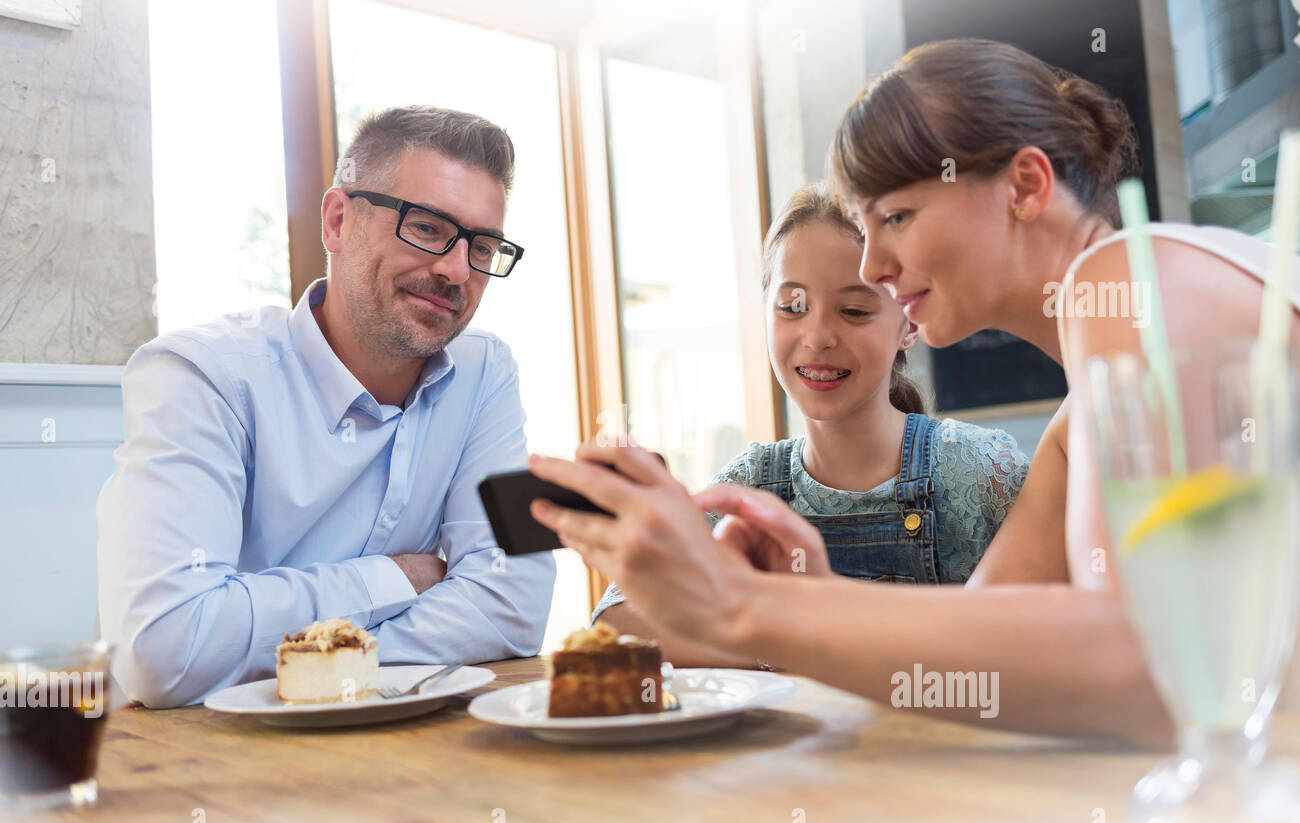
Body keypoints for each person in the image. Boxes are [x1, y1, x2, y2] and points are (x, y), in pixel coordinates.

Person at [527, 38, 1300, 747]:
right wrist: (818, 597)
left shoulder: (1132, 276)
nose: (871, 268)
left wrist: (748, 605)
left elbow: (1162, 670)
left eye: (895, 215)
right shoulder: (1082, 415)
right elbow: (975, 655)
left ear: (1026, 185)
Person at [98, 106, 555, 708]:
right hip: (216, 762)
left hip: (412, 754)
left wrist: (305, 657)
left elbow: (512, 605)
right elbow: (167, 649)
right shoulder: (202, 376)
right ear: (338, 221)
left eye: (483, 246)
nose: (454, 270)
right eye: (426, 227)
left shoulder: (487, 372)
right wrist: (397, 579)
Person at [592, 181, 1029, 667]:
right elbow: (618, 622)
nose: (818, 336)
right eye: (792, 307)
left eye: (854, 310)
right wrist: (779, 645)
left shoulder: (981, 470)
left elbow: (1043, 630)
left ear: (908, 322)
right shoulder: (753, 485)